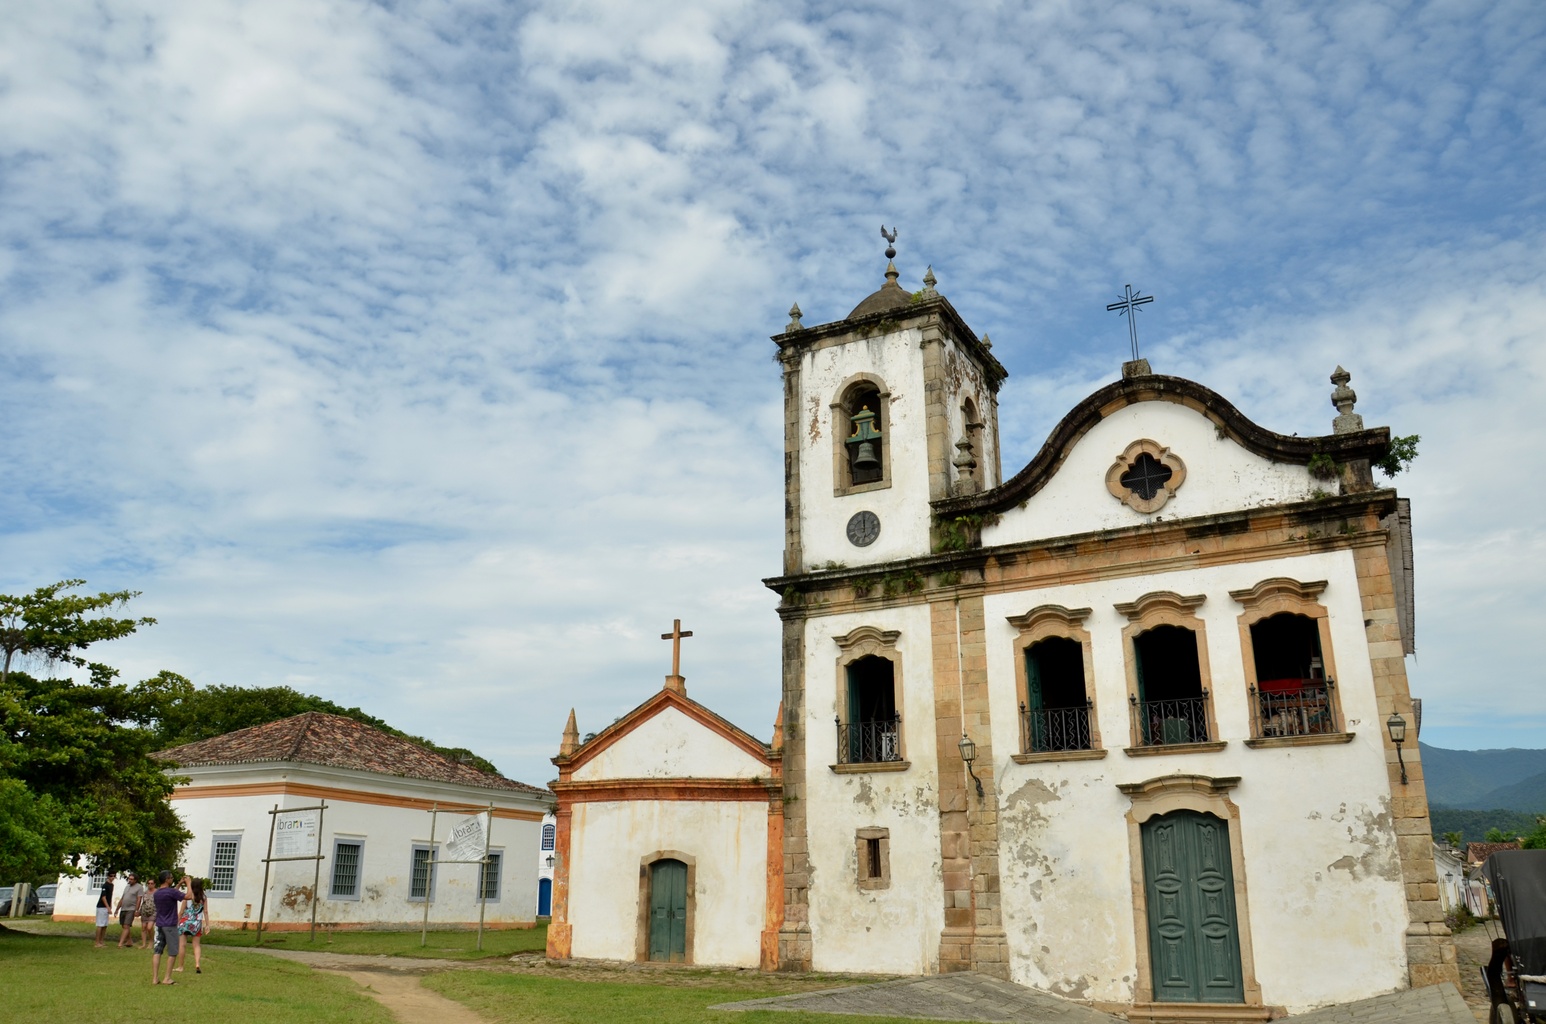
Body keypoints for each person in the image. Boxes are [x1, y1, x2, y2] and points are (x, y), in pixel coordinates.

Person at [149, 871, 186, 985]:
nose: (172, 879)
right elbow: (188, 896)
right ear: (167, 879)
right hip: (170, 925)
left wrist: (179, 884)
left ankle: (155, 978)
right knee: (173, 952)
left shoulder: (157, 893)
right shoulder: (171, 892)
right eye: (171, 877)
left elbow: (172, 893)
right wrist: (188, 883)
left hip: (159, 924)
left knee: (157, 951)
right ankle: (167, 978)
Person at [174, 877, 207, 974]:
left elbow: (181, 912)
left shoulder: (187, 897)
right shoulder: (203, 898)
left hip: (185, 922)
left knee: (182, 945)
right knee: (196, 945)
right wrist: (207, 925)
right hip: (197, 923)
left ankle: (180, 966)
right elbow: (205, 911)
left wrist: (177, 922)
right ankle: (197, 964)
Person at [116, 872, 145, 949]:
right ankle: (129, 941)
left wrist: (136, 910)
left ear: (135, 880)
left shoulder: (139, 887)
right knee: (124, 925)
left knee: (126, 925)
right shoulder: (127, 887)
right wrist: (117, 909)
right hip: (124, 908)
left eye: (132, 879)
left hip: (131, 909)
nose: (130, 880)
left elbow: (139, 899)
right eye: (129, 879)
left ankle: (120, 943)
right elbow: (122, 898)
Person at [94, 871, 116, 948]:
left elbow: (110, 896)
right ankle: (97, 942)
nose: (112, 877)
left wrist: (110, 905)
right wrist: (107, 907)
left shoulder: (111, 885)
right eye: (111, 876)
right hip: (101, 907)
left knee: (105, 925)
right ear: (108, 876)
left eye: (114, 876)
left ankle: (101, 941)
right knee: (100, 924)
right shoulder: (105, 885)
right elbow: (103, 897)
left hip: (107, 906)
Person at [137, 883, 156, 948]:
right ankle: (144, 944)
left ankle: (151, 941)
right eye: (148, 883)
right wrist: (139, 911)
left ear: (154, 884)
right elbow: (143, 902)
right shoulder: (145, 893)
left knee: (149, 927)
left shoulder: (157, 892)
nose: (150, 885)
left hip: (153, 911)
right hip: (144, 911)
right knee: (143, 927)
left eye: (152, 883)